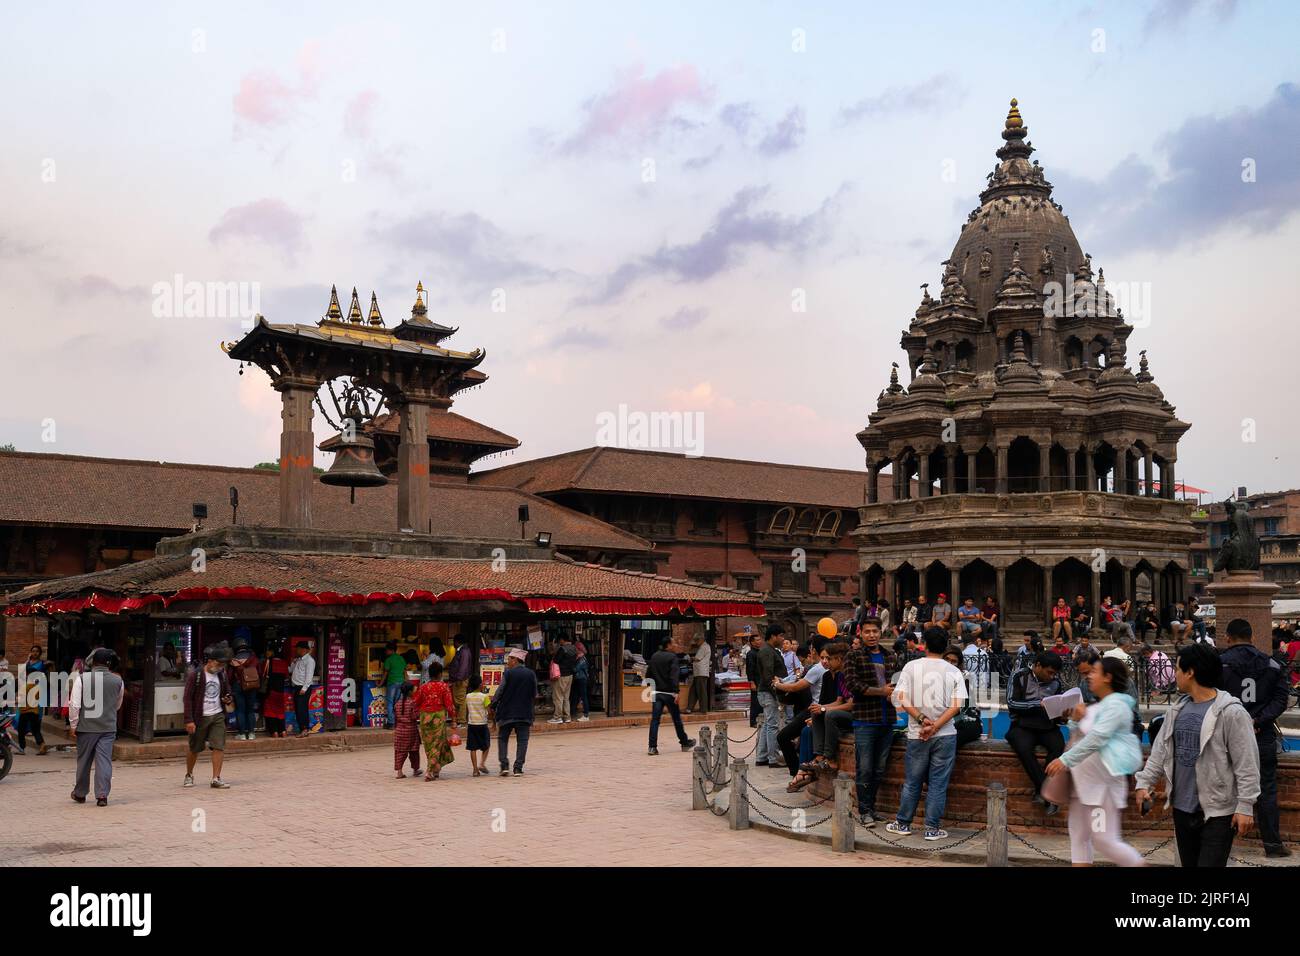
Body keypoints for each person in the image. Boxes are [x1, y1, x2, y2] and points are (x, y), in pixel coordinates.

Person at [1134, 643, 1260, 868]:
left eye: (1178, 668)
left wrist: (1245, 805)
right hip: (1182, 808)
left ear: (1191, 672)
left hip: (1217, 811)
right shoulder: (1176, 710)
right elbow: (1160, 752)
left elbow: (1247, 763)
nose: (1175, 674)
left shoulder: (1231, 712)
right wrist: (1144, 783)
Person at [1045, 656, 1145, 867]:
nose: (1089, 676)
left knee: (1104, 840)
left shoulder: (1117, 706)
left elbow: (1097, 737)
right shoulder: (1096, 707)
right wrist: (1075, 718)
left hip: (1101, 790)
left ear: (1107, 677)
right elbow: (1079, 736)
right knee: (1079, 838)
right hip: (1081, 787)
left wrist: (1064, 760)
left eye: (1094, 671)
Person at [1219, 618, 1292, 858]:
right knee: (1266, 789)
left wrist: (1237, 723)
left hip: (1227, 738)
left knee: (1224, 789)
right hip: (1262, 736)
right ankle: (1272, 845)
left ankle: (1221, 845)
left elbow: (1212, 699)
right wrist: (1257, 720)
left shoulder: (1220, 665)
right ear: (1252, 637)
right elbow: (1281, 700)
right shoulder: (1272, 665)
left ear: (1228, 637)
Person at [887, 628, 967, 840]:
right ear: (945, 645)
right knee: (938, 783)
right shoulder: (954, 671)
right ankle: (932, 828)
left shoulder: (912, 667)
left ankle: (903, 823)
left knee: (913, 781)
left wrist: (923, 720)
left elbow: (901, 697)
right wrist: (937, 726)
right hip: (946, 734)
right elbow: (957, 706)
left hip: (917, 733)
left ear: (925, 645)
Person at [843, 618, 897, 826]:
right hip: (865, 719)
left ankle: (872, 808)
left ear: (880, 632)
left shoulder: (889, 656)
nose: (872, 635)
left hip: (887, 718)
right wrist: (880, 691)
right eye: (867, 632)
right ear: (861, 633)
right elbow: (852, 685)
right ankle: (864, 810)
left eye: (875, 631)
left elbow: (895, 682)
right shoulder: (854, 655)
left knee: (880, 768)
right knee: (864, 767)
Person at [1006, 651, 1066, 815]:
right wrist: (1037, 704)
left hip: (1047, 724)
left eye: (1054, 673)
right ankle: (1046, 790)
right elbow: (1011, 702)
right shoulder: (1019, 676)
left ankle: (1042, 791)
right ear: (1038, 665)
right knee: (1024, 749)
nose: (1052, 676)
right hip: (1023, 723)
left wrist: (1063, 714)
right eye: (1049, 672)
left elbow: (1058, 708)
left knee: (1058, 745)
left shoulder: (1056, 683)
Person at [68, 648, 124, 807]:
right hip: (108, 727)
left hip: (86, 728)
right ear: (108, 663)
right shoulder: (118, 680)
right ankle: (102, 795)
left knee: (84, 761)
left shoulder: (82, 679)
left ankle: (80, 794)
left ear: (93, 662)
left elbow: (75, 704)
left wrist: (73, 724)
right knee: (104, 761)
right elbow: (117, 705)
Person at [183, 643, 233, 789]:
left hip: (217, 715)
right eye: (218, 663)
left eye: (222, 664)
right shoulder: (196, 675)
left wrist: (228, 698)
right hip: (200, 717)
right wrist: (189, 720)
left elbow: (227, 692)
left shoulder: (222, 675)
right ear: (210, 661)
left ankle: (216, 778)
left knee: (219, 746)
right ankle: (189, 774)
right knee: (195, 748)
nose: (220, 667)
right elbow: (187, 698)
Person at [799, 642, 852, 772]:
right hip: (845, 711)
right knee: (816, 712)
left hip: (857, 714)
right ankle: (819, 756)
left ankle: (830, 758)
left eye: (829, 659)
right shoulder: (839, 675)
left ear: (839, 659)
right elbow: (839, 701)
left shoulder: (849, 675)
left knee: (829, 715)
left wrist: (825, 709)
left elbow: (852, 704)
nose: (826, 662)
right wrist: (820, 707)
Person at [645, 635, 696, 756]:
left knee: (655, 720)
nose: (675, 645)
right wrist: (676, 692)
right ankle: (684, 742)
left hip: (656, 693)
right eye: (673, 643)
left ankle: (652, 747)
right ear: (668, 645)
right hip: (669, 693)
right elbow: (674, 676)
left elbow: (648, 674)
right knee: (676, 719)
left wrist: (652, 687)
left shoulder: (654, 656)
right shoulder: (672, 657)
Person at [411, 660, 457, 780]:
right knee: (437, 744)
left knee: (429, 745)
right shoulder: (444, 687)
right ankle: (430, 771)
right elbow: (449, 705)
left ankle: (436, 768)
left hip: (425, 717)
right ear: (440, 674)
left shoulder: (423, 687)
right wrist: (454, 719)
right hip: (438, 717)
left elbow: (415, 702)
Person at [750, 624, 788, 767]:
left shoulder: (771, 650)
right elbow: (768, 675)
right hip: (768, 692)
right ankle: (773, 758)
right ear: (773, 636)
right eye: (781, 636)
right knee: (773, 725)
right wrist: (778, 694)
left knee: (767, 724)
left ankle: (762, 756)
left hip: (768, 691)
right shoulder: (766, 651)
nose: (783, 639)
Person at [16, 644, 48, 756]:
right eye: (33, 651)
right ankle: (39, 745)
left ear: (40, 653)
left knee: (31, 724)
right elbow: (21, 673)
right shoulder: (28, 663)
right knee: (29, 724)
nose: (34, 653)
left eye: (36, 651)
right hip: (27, 694)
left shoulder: (42, 664)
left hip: (35, 696)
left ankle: (23, 747)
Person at [227, 633, 261, 740]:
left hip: (238, 686)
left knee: (240, 710)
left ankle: (241, 734)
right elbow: (259, 673)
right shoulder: (254, 659)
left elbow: (229, 676)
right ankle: (251, 734)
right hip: (252, 686)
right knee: (250, 710)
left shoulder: (233, 660)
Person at [391, 682, 421, 779]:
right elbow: (415, 716)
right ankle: (416, 769)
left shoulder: (397, 703)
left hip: (400, 730)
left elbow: (395, 718)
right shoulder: (412, 703)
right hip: (411, 730)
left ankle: (399, 772)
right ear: (409, 692)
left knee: (400, 752)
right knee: (414, 751)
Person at [464, 675, 492, 777]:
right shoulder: (484, 697)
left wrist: (467, 720)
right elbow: (489, 710)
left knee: (473, 748)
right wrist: (492, 721)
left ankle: (475, 770)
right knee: (486, 744)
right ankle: (482, 763)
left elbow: (467, 711)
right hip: (482, 724)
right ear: (481, 685)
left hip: (472, 724)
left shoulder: (468, 696)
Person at [260, 640, 289, 738]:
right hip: (280, 692)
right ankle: (283, 731)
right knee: (280, 712)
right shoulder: (284, 663)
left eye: (268, 650)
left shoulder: (267, 662)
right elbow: (286, 676)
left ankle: (274, 732)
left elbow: (262, 675)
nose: (267, 652)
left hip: (270, 691)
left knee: (270, 712)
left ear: (272, 652)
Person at [548, 635, 577, 724]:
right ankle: (567, 717)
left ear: (562, 640)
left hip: (561, 675)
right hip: (570, 675)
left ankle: (557, 717)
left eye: (559, 640)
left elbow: (556, 661)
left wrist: (554, 651)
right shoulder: (574, 648)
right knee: (566, 697)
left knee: (558, 697)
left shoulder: (562, 649)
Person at [379, 641, 407, 730]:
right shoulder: (401, 658)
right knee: (398, 703)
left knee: (390, 702)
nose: (385, 652)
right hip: (401, 682)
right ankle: (398, 722)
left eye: (386, 650)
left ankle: (391, 723)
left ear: (391, 650)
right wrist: (405, 682)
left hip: (392, 683)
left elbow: (385, 674)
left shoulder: (388, 659)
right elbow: (404, 672)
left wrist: (380, 683)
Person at [446, 633, 472, 726]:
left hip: (460, 680)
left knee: (460, 701)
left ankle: (461, 721)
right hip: (458, 679)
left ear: (457, 642)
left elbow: (463, 667)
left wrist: (458, 679)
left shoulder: (464, 651)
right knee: (457, 700)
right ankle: (458, 720)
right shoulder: (462, 650)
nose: (453, 643)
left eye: (454, 641)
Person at [686, 636, 712, 714]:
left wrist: (689, 658)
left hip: (701, 672)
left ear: (701, 640)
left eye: (697, 641)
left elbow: (697, 658)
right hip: (698, 672)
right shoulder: (703, 647)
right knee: (693, 690)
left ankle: (703, 709)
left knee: (701, 691)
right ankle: (689, 708)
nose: (696, 643)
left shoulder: (704, 647)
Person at [571, 646, 592, 722]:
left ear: (579, 650)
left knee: (583, 696)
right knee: (575, 696)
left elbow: (575, 669)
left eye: (576, 649)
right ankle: (573, 712)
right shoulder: (580, 658)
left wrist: (569, 665)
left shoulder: (582, 659)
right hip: (578, 679)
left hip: (581, 679)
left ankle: (586, 715)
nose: (575, 650)